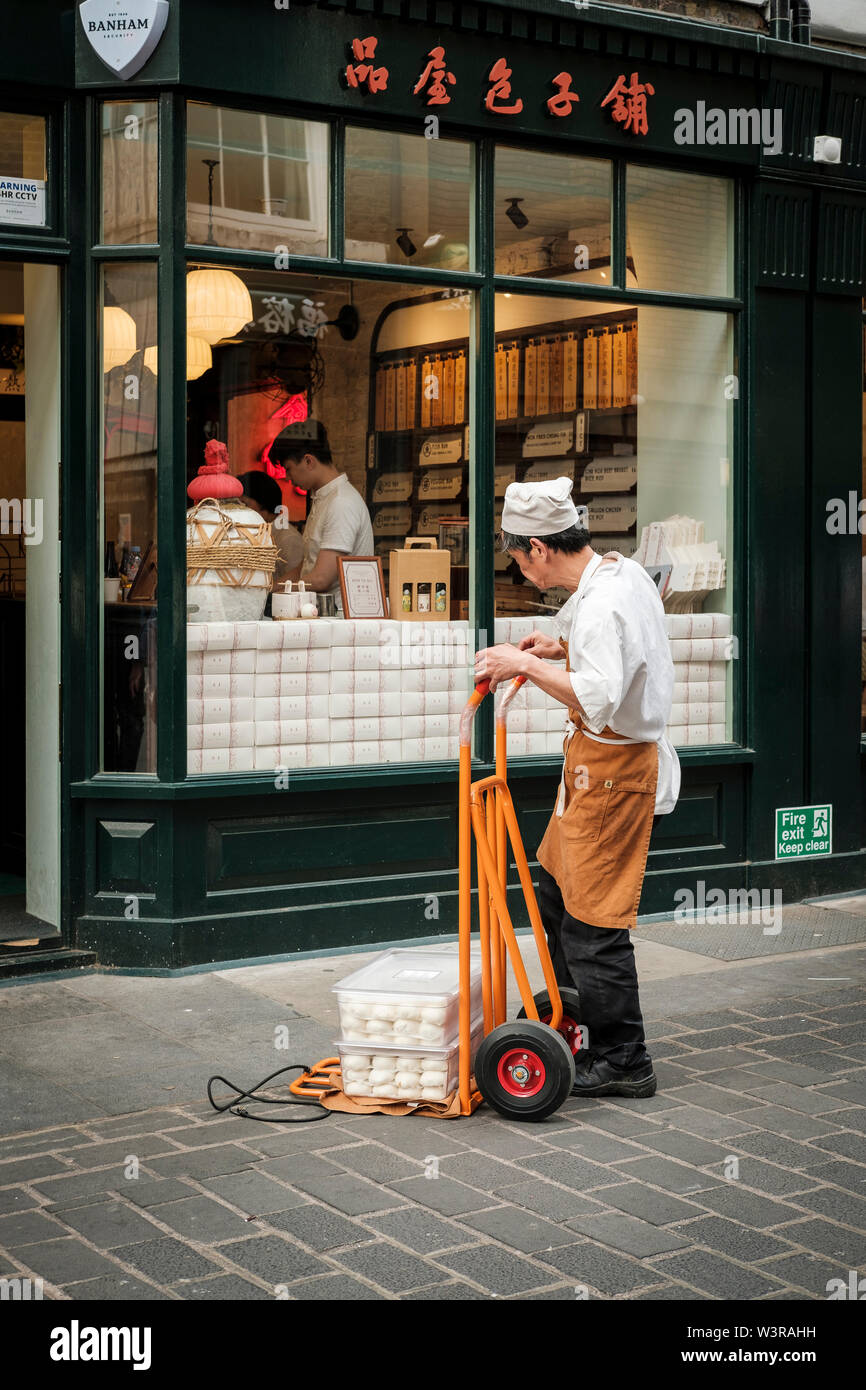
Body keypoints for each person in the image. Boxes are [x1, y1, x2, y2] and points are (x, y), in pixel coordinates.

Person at [474, 476, 680, 1099]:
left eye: (516, 554)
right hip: (597, 767)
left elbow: (597, 697)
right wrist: (557, 645)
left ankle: (625, 1058)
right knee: (557, 893)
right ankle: (579, 1018)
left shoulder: (601, 602)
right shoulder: (621, 574)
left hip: (614, 772)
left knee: (594, 922)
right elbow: (619, 650)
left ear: (538, 548)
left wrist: (528, 664)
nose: (517, 567)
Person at [269, 420, 374, 600]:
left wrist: (277, 593)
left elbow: (321, 578)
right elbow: (306, 568)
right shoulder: (323, 498)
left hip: (339, 617)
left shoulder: (341, 502)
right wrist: (268, 589)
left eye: (289, 469)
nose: (287, 477)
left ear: (309, 461)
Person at [236, 469, 304, 590]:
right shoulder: (252, 532)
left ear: (263, 504)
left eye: (245, 504)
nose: (241, 510)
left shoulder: (288, 539)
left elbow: (297, 582)